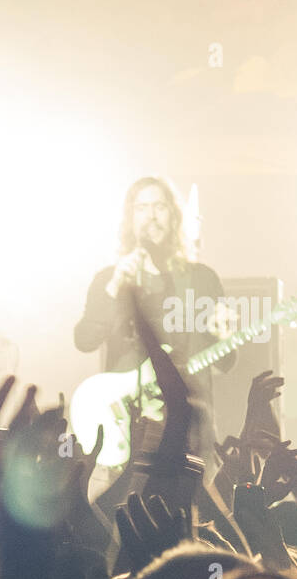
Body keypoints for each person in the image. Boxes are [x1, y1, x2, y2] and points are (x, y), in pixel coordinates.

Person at [74, 177, 236, 459]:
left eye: (159, 206)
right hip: (129, 424)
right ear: (130, 218)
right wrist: (114, 289)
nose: (151, 216)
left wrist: (226, 336)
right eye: (142, 208)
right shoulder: (108, 279)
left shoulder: (202, 279)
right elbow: (85, 341)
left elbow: (225, 362)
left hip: (191, 428)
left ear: (174, 216)